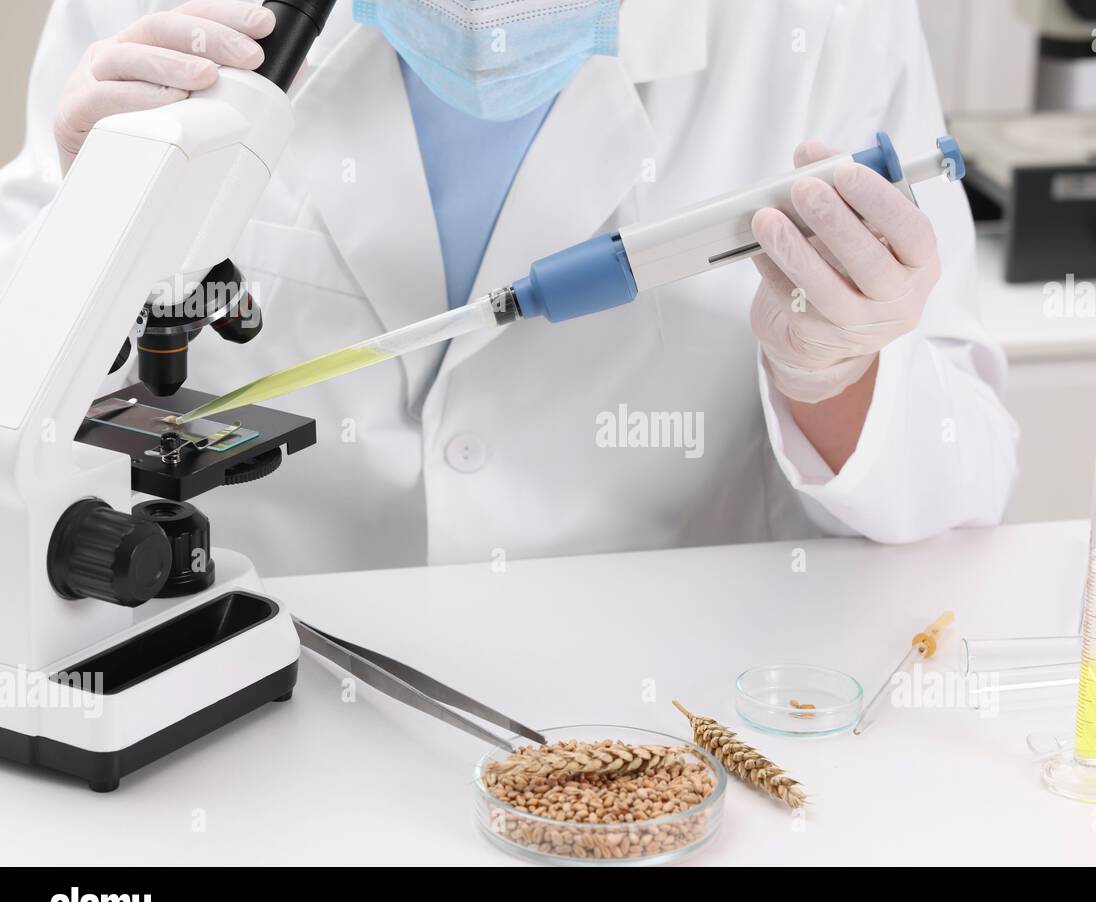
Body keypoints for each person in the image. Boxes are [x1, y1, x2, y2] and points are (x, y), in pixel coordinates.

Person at [0, 0, 1018, 576]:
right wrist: (97, 231)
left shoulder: (817, 25)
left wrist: (836, 369)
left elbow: (957, 487)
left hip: (652, 717)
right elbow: (17, 388)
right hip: (244, 666)